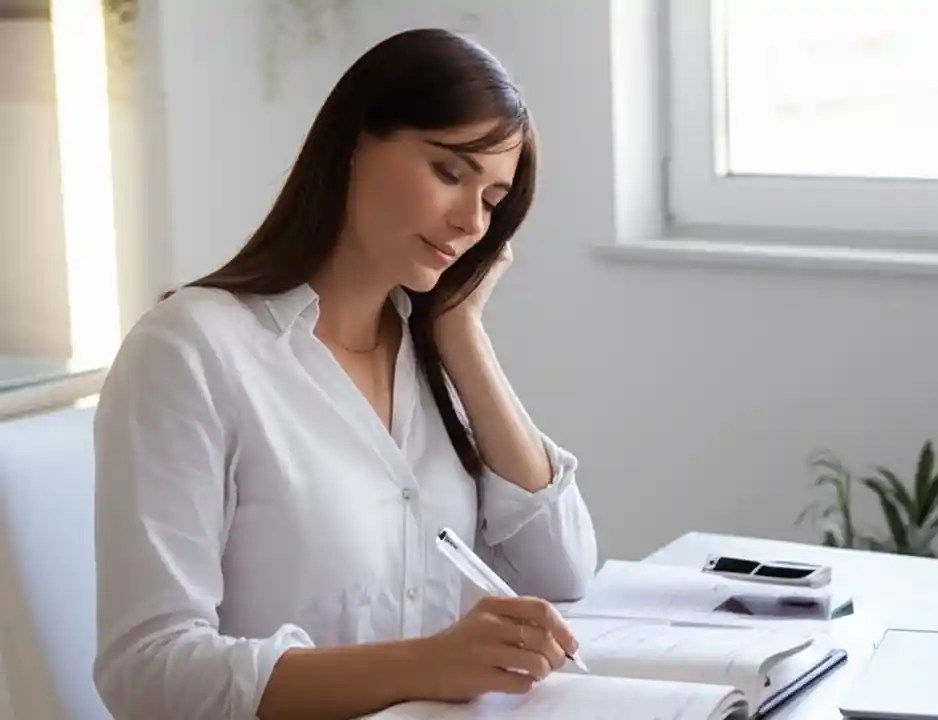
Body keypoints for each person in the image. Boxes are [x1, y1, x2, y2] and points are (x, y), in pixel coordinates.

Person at [92, 28, 597, 720]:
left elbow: (564, 571)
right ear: (355, 143)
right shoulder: (191, 350)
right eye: (450, 173)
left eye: (491, 200)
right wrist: (426, 664)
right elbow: (146, 675)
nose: (469, 222)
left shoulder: (430, 357)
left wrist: (462, 332)